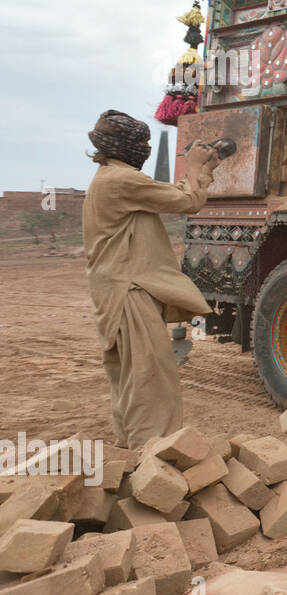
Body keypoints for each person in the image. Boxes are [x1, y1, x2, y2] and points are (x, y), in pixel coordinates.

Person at [82, 110, 221, 448]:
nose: (145, 148)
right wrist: (194, 166)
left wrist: (202, 169)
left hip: (114, 293)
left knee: (130, 378)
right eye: (140, 143)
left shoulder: (111, 178)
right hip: (129, 292)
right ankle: (155, 459)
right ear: (121, 147)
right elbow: (188, 201)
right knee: (151, 379)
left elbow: (167, 192)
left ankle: (131, 451)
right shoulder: (120, 180)